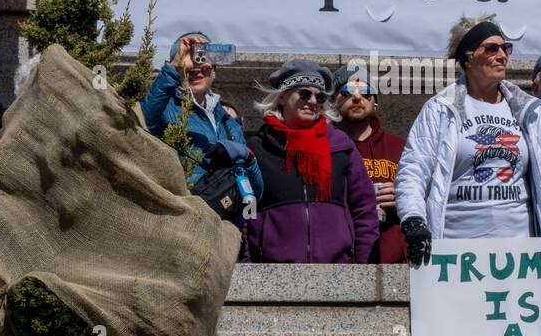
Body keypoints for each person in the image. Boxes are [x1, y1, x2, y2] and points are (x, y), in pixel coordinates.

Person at [394, 16, 541, 267]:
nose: (502, 55)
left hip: (521, 257)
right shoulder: (440, 109)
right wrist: (414, 219)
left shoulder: (528, 110)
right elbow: (413, 170)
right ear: (468, 59)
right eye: (492, 48)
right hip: (456, 257)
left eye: (506, 48)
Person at [241, 61, 379, 263]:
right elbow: (246, 210)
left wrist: (364, 268)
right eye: (304, 94)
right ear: (282, 97)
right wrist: (247, 266)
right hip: (270, 274)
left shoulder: (341, 146)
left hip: (339, 272)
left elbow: (364, 210)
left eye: (320, 96)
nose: (313, 101)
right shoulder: (257, 148)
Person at [141, 31, 262, 205]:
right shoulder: (165, 108)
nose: (196, 71)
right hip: (183, 218)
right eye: (189, 66)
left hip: (226, 222)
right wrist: (175, 66)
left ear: (214, 72)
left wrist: (250, 160)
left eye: (204, 67)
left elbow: (256, 190)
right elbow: (143, 122)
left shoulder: (228, 120)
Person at [332, 64, 407, 263]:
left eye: (366, 92)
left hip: (390, 255)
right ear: (332, 102)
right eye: (346, 92)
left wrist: (402, 196)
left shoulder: (400, 146)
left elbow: (428, 197)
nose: (357, 97)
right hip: (337, 252)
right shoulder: (323, 146)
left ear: (375, 103)